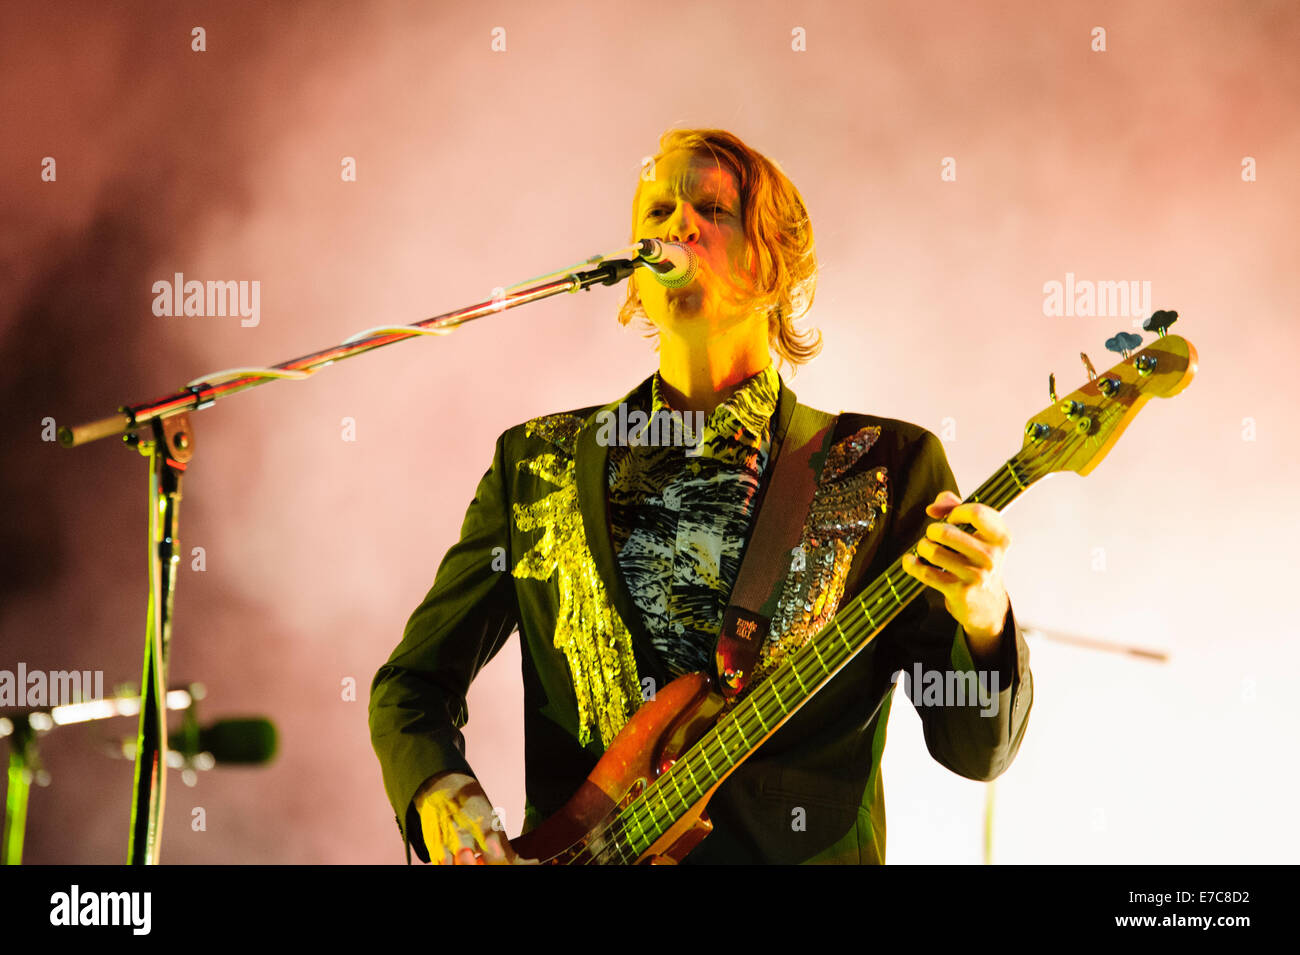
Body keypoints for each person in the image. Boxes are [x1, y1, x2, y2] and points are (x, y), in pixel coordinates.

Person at [368, 127, 1032, 865]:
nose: (676, 225)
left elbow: (975, 751)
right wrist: (441, 793)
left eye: (711, 210)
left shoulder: (883, 464)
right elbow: (412, 684)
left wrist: (982, 614)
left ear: (774, 262)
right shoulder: (537, 462)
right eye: (656, 213)